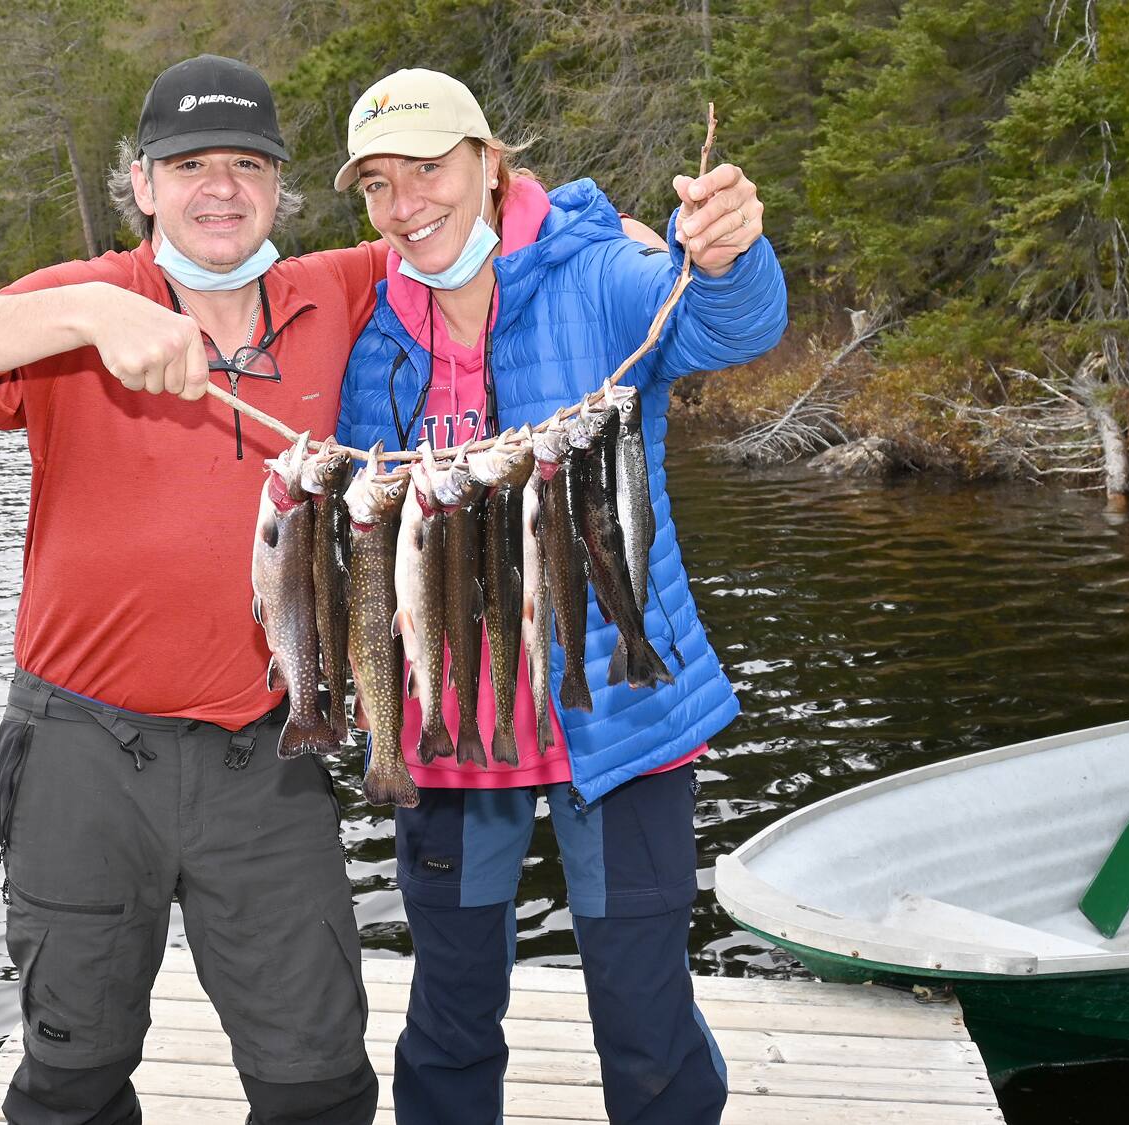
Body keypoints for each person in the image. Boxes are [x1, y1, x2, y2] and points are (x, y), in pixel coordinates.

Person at [0, 56, 385, 1125]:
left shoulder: (330, 292)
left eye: (246, 164)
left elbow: (458, 220)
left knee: (320, 1084)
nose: (219, 187)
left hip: (270, 750)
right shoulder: (79, 301)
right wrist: (85, 319)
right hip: (82, 755)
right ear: (142, 183)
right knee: (72, 1079)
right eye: (188, 163)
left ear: (277, 187)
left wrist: (614, 230)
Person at [330, 70, 788, 1124]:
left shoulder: (595, 275)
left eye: (430, 170)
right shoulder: (374, 337)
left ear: (489, 165)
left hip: (619, 727)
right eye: (378, 187)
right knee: (447, 1015)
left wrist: (722, 253)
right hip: (453, 733)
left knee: (643, 1019)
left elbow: (725, 325)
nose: (406, 206)